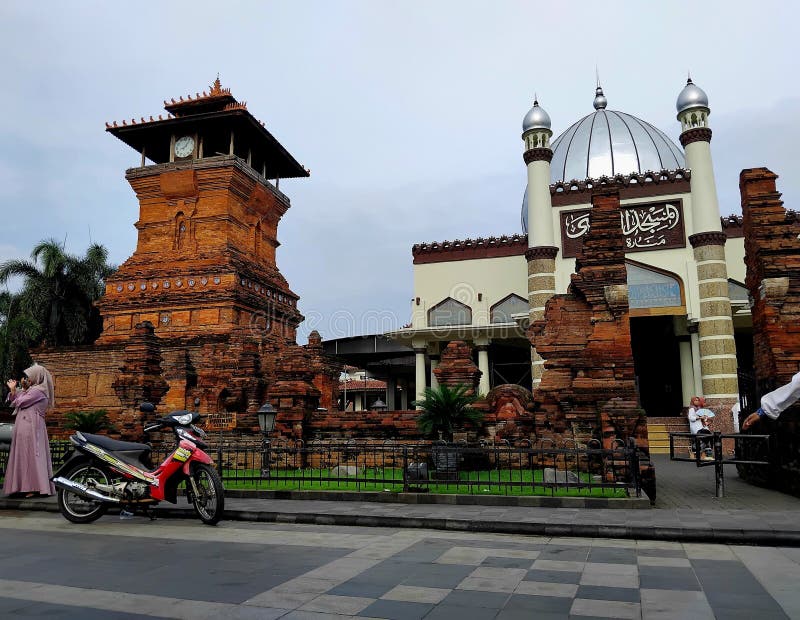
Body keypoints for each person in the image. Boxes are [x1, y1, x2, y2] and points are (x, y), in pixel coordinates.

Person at [2, 363, 56, 497]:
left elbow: (20, 402)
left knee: (30, 455)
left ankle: (33, 487)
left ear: (37, 377)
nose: (28, 379)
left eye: (30, 376)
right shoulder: (32, 390)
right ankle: (22, 486)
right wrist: (16, 391)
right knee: (23, 455)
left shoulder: (39, 391)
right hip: (26, 427)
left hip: (31, 428)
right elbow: (13, 399)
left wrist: (15, 390)